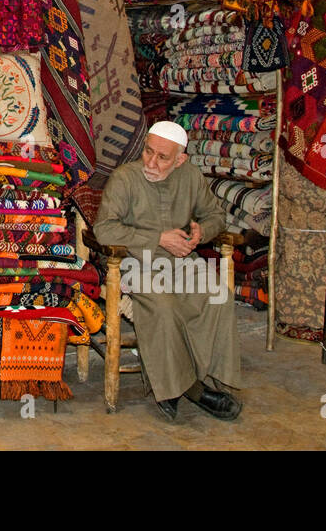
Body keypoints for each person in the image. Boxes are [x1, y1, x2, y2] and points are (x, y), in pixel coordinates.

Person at [92, 121, 242, 421]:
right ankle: (189, 390)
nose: (151, 161)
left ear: (180, 159)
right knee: (162, 306)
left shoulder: (191, 176)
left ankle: (209, 378)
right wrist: (157, 238)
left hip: (182, 263)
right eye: (148, 151)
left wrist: (202, 232)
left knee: (219, 298)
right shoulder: (125, 178)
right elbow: (104, 229)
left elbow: (215, 216)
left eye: (162, 157)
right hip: (136, 261)